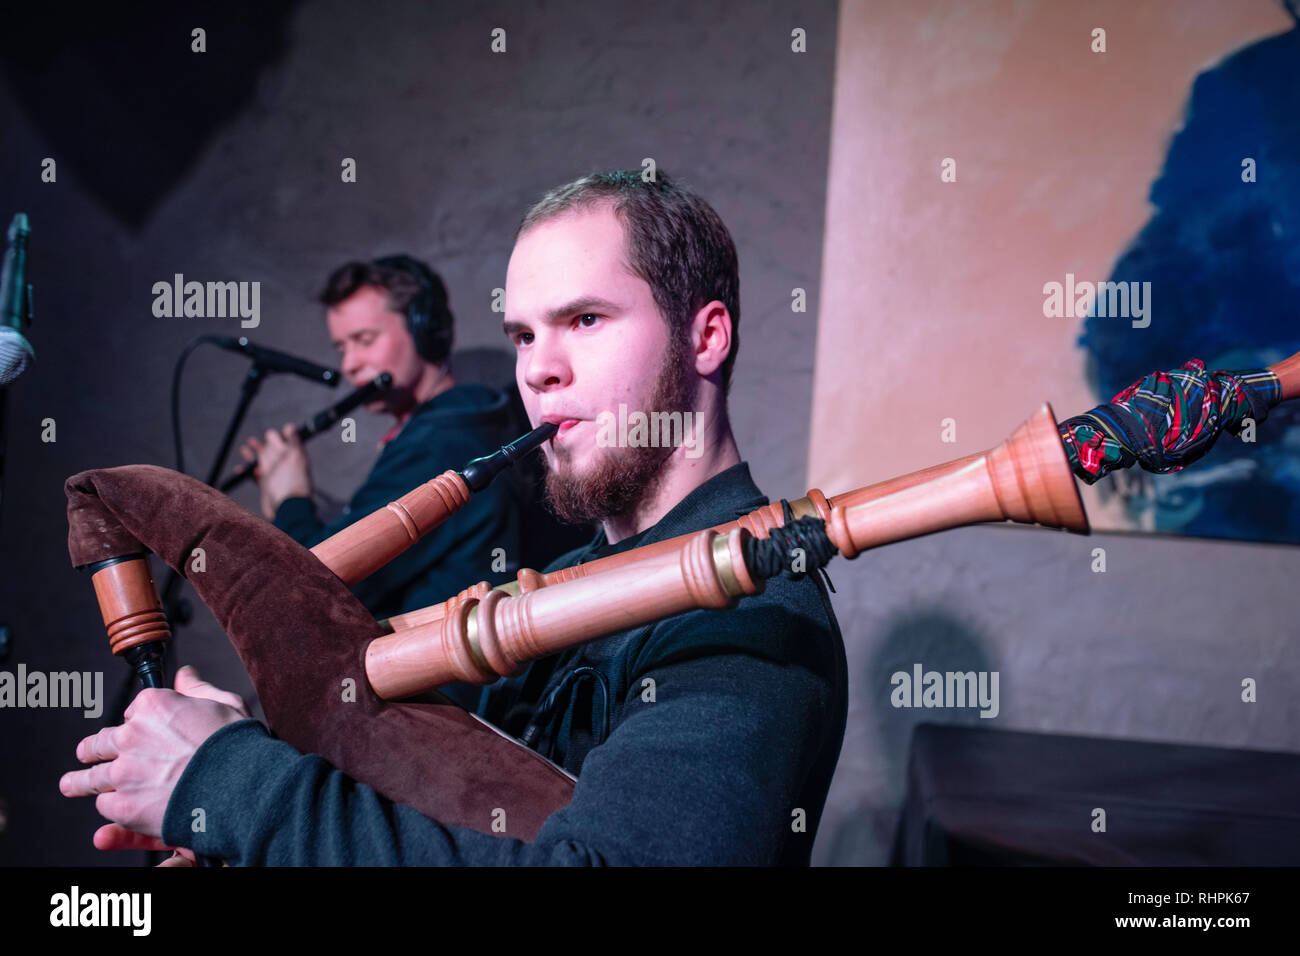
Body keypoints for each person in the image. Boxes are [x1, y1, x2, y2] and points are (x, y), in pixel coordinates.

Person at [60, 172, 850, 866]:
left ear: (705, 337)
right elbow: (461, 805)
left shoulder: (751, 603)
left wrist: (239, 788)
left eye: (585, 321)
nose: (538, 369)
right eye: (522, 334)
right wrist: (233, 767)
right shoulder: (574, 581)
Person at [240, 255, 526, 624]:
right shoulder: (464, 421)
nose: (349, 364)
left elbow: (318, 591)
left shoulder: (438, 442)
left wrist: (291, 500)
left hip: (433, 677)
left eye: (364, 339)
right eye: (342, 348)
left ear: (425, 331)